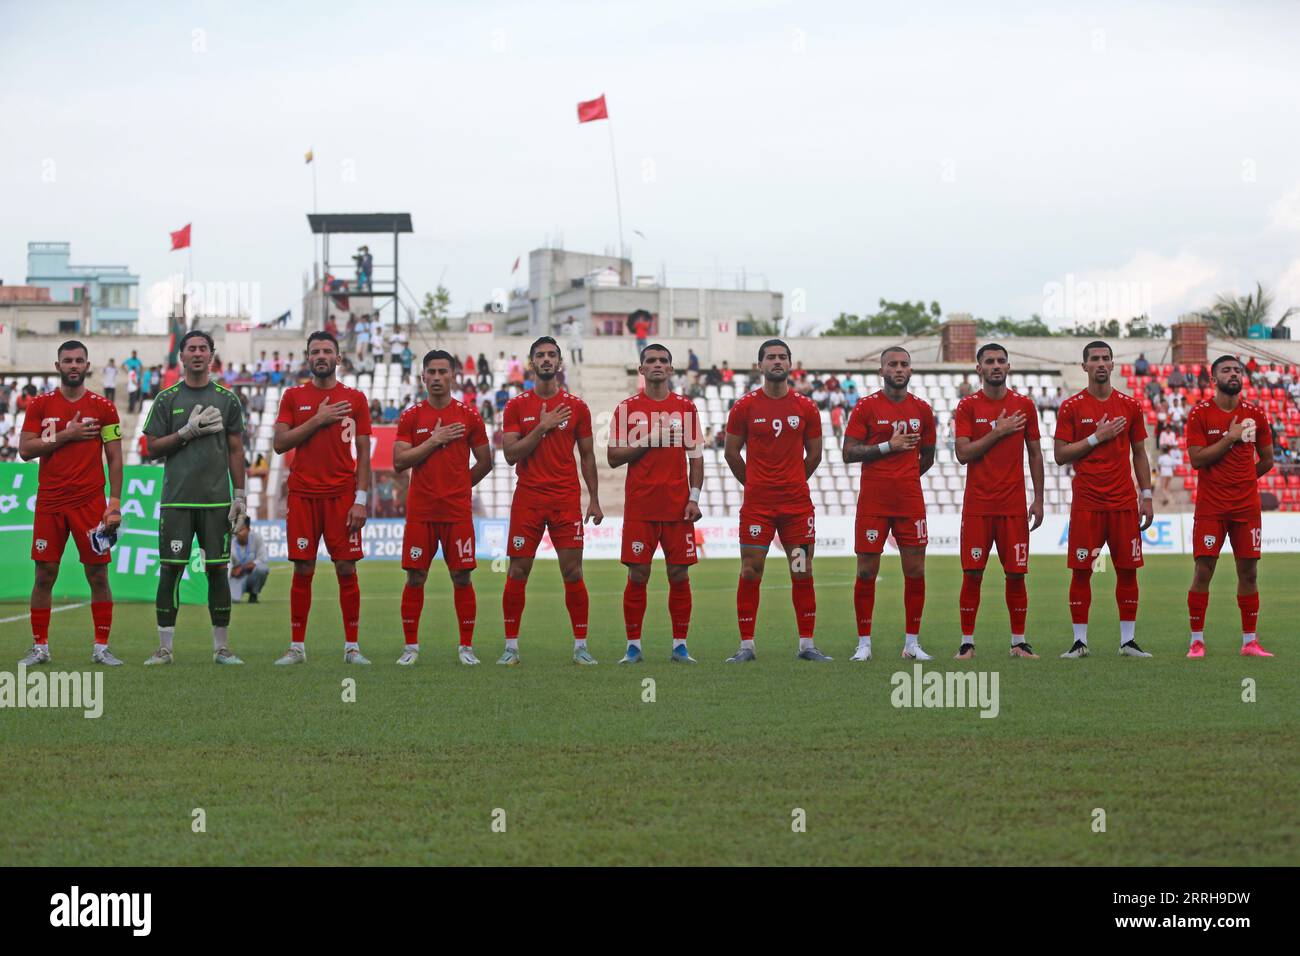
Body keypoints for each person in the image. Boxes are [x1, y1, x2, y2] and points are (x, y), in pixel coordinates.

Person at [141, 330, 247, 665]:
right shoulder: (166, 399)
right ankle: (165, 648)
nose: (197, 353)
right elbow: (151, 449)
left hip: (217, 500)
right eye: (191, 349)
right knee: (170, 570)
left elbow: (235, 450)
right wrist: (186, 432)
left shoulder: (227, 400)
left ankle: (222, 648)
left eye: (203, 348)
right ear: (182, 356)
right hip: (177, 500)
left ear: (212, 354)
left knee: (218, 571)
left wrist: (240, 495)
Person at [17, 340, 124, 666]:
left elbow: (115, 459)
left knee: (98, 575)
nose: (74, 365)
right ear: (58, 366)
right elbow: (25, 449)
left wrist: (114, 502)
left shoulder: (104, 407)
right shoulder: (40, 405)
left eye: (79, 360)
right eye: (68, 360)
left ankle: (101, 647)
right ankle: (40, 647)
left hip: (90, 503)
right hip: (49, 501)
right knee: (44, 574)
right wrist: (67, 434)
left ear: (87, 366)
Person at [723, 339, 827, 662]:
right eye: (771, 357)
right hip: (758, 507)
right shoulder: (744, 407)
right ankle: (746, 646)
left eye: (782, 357)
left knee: (801, 570)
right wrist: (755, 484)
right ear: (760, 366)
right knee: (751, 570)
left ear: (790, 364)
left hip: (796, 507)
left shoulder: (806, 407)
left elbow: (815, 455)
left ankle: (807, 646)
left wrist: (792, 481)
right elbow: (730, 453)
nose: (777, 361)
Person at [500, 336, 602, 665]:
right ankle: (511, 648)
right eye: (540, 355)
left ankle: (581, 646)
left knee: (572, 572)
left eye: (551, 355)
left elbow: (587, 457)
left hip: (565, 499)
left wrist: (594, 499)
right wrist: (542, 427)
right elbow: (511, 455)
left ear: (559, 363)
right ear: (532, 363)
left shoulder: (578, 406)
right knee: (517, 570)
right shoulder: (516, 406)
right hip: (528, 498)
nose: (546, 360)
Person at [273, 331, 373, 666]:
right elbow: (280, 443)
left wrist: (361, 499)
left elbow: (363, 451)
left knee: (346, 567)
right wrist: (318, 419)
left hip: (342, 496)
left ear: (338, 358)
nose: (321, 356)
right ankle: (297, 647)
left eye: (327, 351)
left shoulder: (355, 398)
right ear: (307, 357)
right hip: (303, 495)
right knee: (303, 567)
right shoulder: (293, 396)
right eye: (315, 351)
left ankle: (352, 647)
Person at [1054, 341, 1154, 659]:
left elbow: (1139, 453)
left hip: (1124, 503)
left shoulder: (1130, 405)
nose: (1100, 363)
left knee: (1128, 571)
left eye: (1105, 358)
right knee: (1082, 572)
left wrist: (1147, 495)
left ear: (1112, 365)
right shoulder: (1071, 407)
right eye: (1094, 359)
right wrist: (1098, 436)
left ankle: (1128, 642)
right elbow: (1059, 455)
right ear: (1084, 366)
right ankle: (1079, 642)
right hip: (1087, 503)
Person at [392, 350, 493, 665]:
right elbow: (399, 461)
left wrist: (461, 488)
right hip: (421, 513)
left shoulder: (469, 415)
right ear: (423, 377)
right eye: (431, 372)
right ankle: (411, 648)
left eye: (442, 372)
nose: (436, 377)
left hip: (456, 513)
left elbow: (486, 461)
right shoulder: (411, 416)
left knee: (462, 577)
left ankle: (466, 647)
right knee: (415, 577)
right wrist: (434, 440)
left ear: (453, 376)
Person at [607, 343, 704, 664]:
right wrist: (649, 439)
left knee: (679, 575)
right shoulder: (626, 409)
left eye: (664, 361)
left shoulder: (686, 408)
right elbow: (613, 457)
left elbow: (696, 457)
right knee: (638, 575)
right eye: (651, 361)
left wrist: (694, 498)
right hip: (641, 508)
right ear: (642, 369)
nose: (658, 365)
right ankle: (633, 646)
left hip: (678, 508)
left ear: (672, 369)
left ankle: (680, 645)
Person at [842, 346, 936, 661]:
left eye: (904, 364)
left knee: (916, 570)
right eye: (892, 364)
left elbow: (928, 455)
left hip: (910, 502)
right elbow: (848, 452)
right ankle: (864, 644)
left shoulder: (922, 410)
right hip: (873, 501)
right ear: (881, 371)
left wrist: (905, 476)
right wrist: (887, 447)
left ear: (910, 371)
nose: (898, 369)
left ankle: (911, 644)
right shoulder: (866, 408)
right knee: (867, 571)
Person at [952, 344, 1046, 659]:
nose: (996, 366)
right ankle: (967, 643)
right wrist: (998, 430)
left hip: (1013, 508)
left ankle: (1018, 642)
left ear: (1008, 367)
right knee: (972, 573)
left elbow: (1035, 452)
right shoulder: (967, 407)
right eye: (989, 361)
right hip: (978, 507)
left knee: (1017, 574)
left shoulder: (1024, 405)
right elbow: (963, 454)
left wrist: (1039, 498)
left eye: (1001, 361)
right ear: (978, 369)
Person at [1184, 356, 1275, 657]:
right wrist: (1230, 438)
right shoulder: (1200, 414)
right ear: (1213, 380)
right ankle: (1197, 640)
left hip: (1246, 508)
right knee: (1203, 570)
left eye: (1237, 370)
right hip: (1211, 507)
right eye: (1226, 370)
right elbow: (1197, 459)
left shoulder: (1256, 414)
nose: (1233, 374)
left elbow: (1267, 459)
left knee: (1249, 573)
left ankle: (1250, 641)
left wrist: (1244, 482)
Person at [229, 518, 270, 603]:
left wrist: (244, 567)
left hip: (252, 574)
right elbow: (227, 565)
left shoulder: (256, 538)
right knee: (234, 600)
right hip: (237, 577)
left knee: (262, 569)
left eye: (241, 529)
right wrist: (232, 571)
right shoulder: (230, 541)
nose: (238, 532)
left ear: (248, 529)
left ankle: (254, 594)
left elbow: (263, 559)